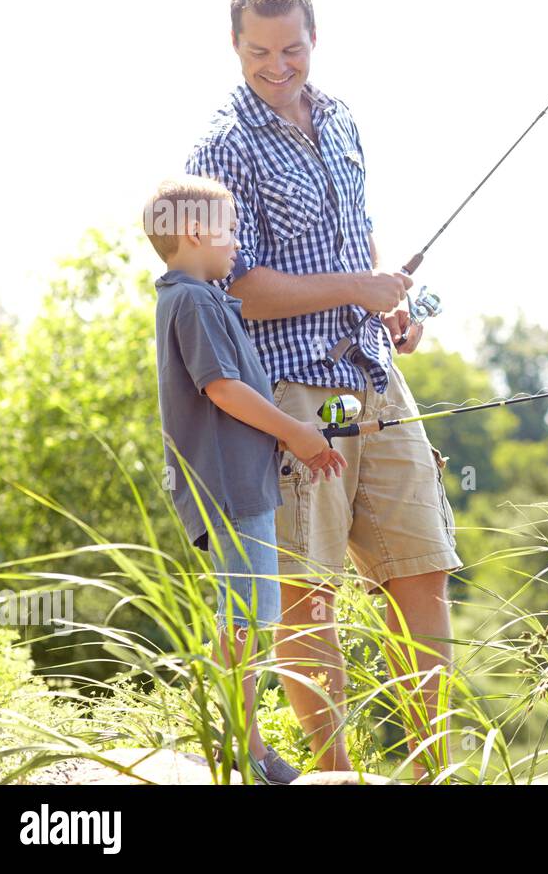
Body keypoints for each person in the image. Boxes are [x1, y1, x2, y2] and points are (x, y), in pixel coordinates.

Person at [184, 0, 463, 776]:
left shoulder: (340, 119)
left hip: (374, 375)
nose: (279, 66)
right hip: (295, 394)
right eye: (260, 51)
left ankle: (430, 767)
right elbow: (233, 286)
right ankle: (336, 773)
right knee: (311, 594)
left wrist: (387, 307)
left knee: (423, 569)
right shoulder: (222, 145)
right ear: (234, 46)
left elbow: (359, 242)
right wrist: (351, 288)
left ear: (315, 37)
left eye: (293, 48)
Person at [145, 174, 347, 784]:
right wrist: (295, 431)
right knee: (248, 612)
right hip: (229, 489)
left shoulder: (198, 298)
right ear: (196, 232)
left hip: (238, 484)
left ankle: (237, 737)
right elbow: (222, 388)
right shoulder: (195, 301)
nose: (237, 241)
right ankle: (241, 744)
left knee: (250, 611)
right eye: (230, 229)